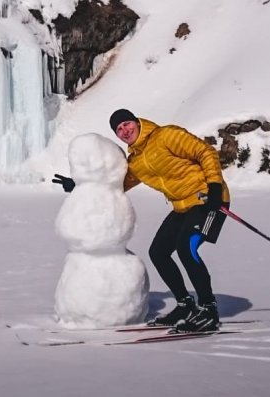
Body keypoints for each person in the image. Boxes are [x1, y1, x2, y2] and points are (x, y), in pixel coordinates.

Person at [56, 108, 231, 332]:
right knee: (158, 252)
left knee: (187, 248)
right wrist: (80, 184)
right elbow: (117, 183)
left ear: (137, 122)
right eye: (119, 130)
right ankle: (185, 304)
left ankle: (208, 309)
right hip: (182, 206)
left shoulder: (167, 135)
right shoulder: (136, 161)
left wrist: (215, 187)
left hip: (208, 201)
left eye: (126, 124)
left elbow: (205, 152)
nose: (124, 131)